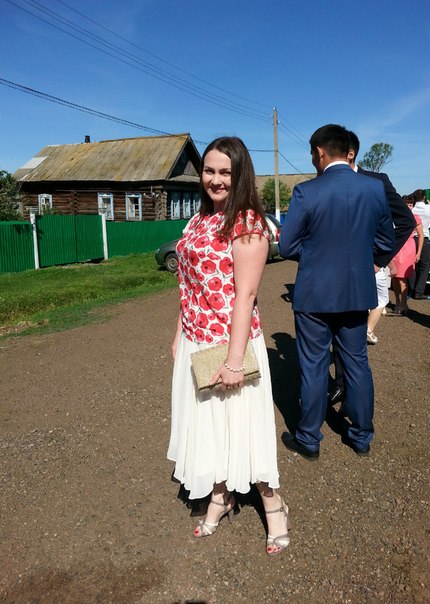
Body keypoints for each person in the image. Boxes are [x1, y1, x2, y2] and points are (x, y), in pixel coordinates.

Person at [167, 136, 290, 556]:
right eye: (209, 171)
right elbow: (188, 285)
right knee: (209, 427)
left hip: (231, 345)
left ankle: (273, 505)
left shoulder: (248, 224)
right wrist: (179, 334)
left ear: (240, 176)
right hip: (196, 340)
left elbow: (246, 295)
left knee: (244, 428)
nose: (215, 180)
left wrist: (235, 361)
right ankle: (221, 496)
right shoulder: (197, 221)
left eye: (225, 172)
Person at [279, 124, 395, 459]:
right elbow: (386, 240)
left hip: (314, 292)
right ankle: (361, 436)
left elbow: (287, 246)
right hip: (357, 291)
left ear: (319, 152)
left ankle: (309, 439)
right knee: (356, 362)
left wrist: (316, 255)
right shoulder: (374, 189)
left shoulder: (306, 191)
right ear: (347, 150)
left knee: (314, 365)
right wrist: (364, 259)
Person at [329, 130, 416, 405]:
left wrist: (379, 259)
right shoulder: (326, 183)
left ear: (350, 154)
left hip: (364, 271)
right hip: (333, 272)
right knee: (335, 331)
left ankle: (354, 401)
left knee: (354, 337)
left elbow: (406, 222)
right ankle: (341, 384)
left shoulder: (377, 182)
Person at [391, 198, 424, 315]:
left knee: (402, 277)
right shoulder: (396, 216)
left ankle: (403, 303)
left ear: (413, 206)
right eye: (406, 204)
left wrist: (418, 252)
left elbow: (421, 235)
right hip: (395, 247)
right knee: (394, 276)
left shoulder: (415, 218)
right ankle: (397, 301)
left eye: (410, 204)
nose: (408, 207)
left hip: (408, 248)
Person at [408, 189, 430, 299]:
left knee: (412, 265)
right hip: (424, 238)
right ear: (424, 198)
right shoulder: (429, 208)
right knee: (425, 266)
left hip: (412, 239)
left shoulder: (412, 209)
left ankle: (411, 289)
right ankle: (419, 291)